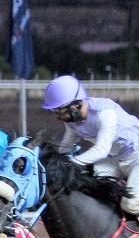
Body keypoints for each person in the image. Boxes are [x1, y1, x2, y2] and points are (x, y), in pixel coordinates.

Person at [42, 75, 139, 216]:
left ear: (76, 104)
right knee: (96, 190)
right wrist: (54, 164)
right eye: (55, 111)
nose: (58, 116)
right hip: (115, 158)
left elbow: (102, 149)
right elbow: (67, 145)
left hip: (136, 157)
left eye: (60, 110)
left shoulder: (106, 113)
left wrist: (70, 164)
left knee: (130, 204)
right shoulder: (71, 120)